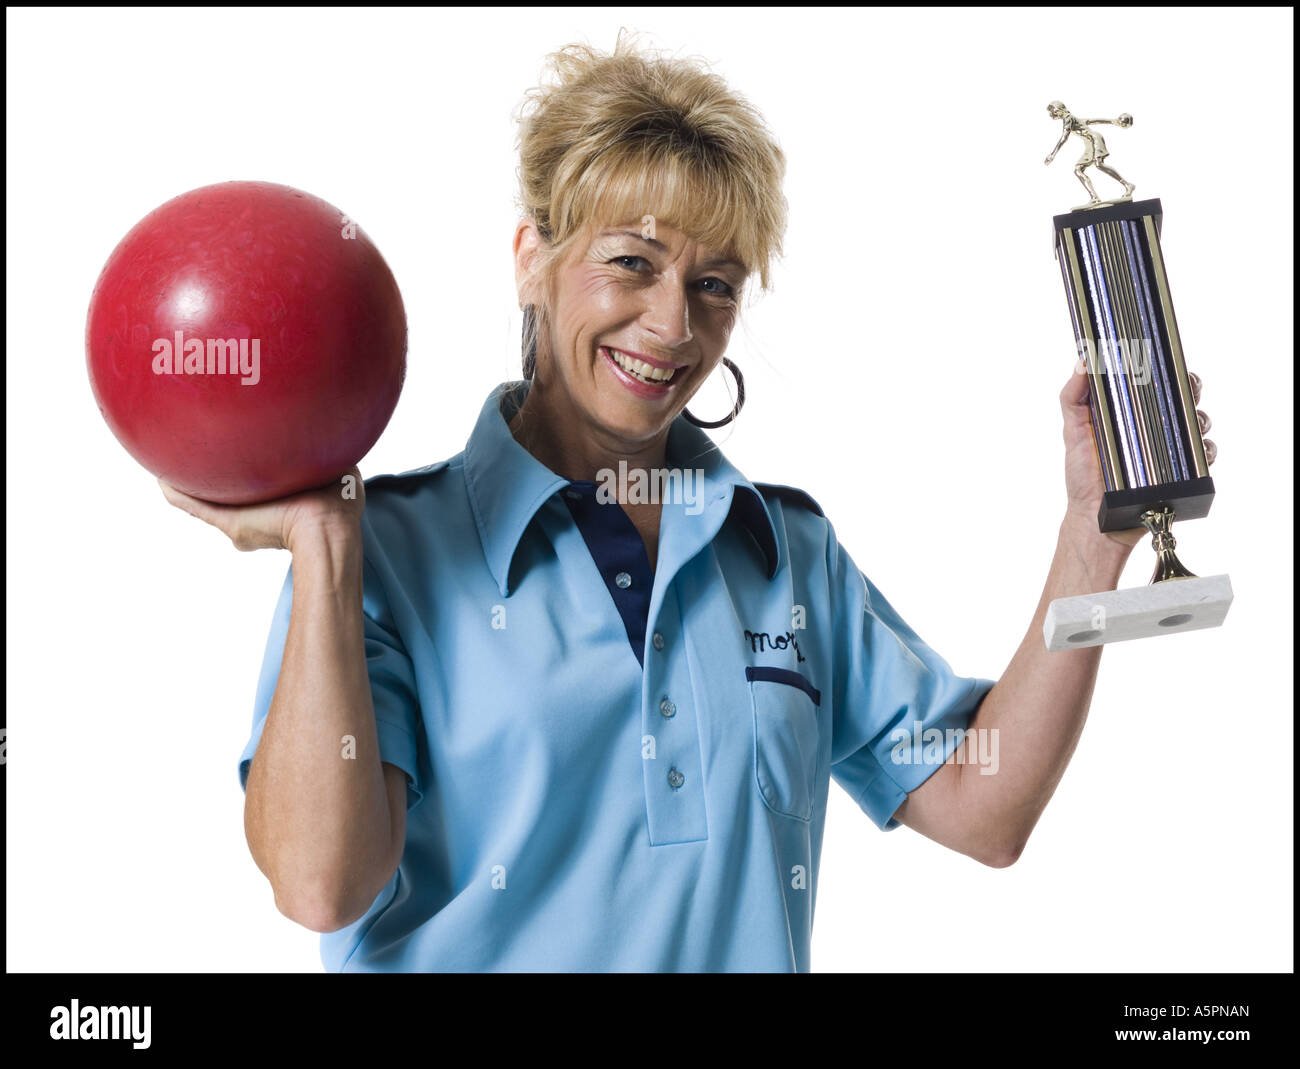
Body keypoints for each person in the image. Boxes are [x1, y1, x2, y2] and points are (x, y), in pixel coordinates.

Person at [160, 34, 1214, 972]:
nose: (673, 324)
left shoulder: (782, 550)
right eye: (632, 262)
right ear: (533, 260)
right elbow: (318, 886)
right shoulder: (389, 554)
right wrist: (321, 545)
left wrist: (1091, 541)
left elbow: (984, 808)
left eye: (715, 283)